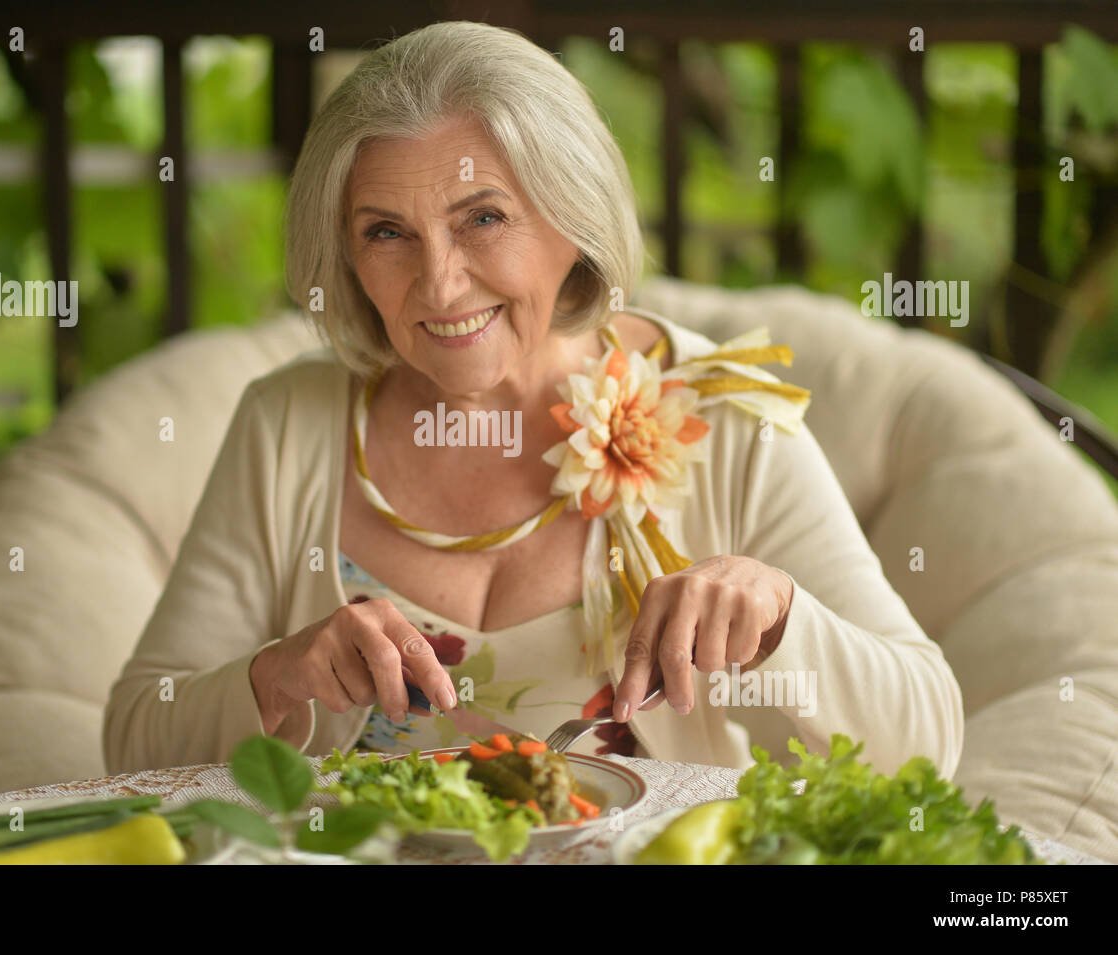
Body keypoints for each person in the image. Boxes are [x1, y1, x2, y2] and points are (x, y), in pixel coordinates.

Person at [103, 21, 963, 778]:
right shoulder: (284, 424)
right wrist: (276, 676)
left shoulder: (723, 418)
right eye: (386, 232)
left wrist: (780, 618)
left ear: (573, 215)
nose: (439, 284)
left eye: (483, 218)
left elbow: (926, 737)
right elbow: (136, 739)